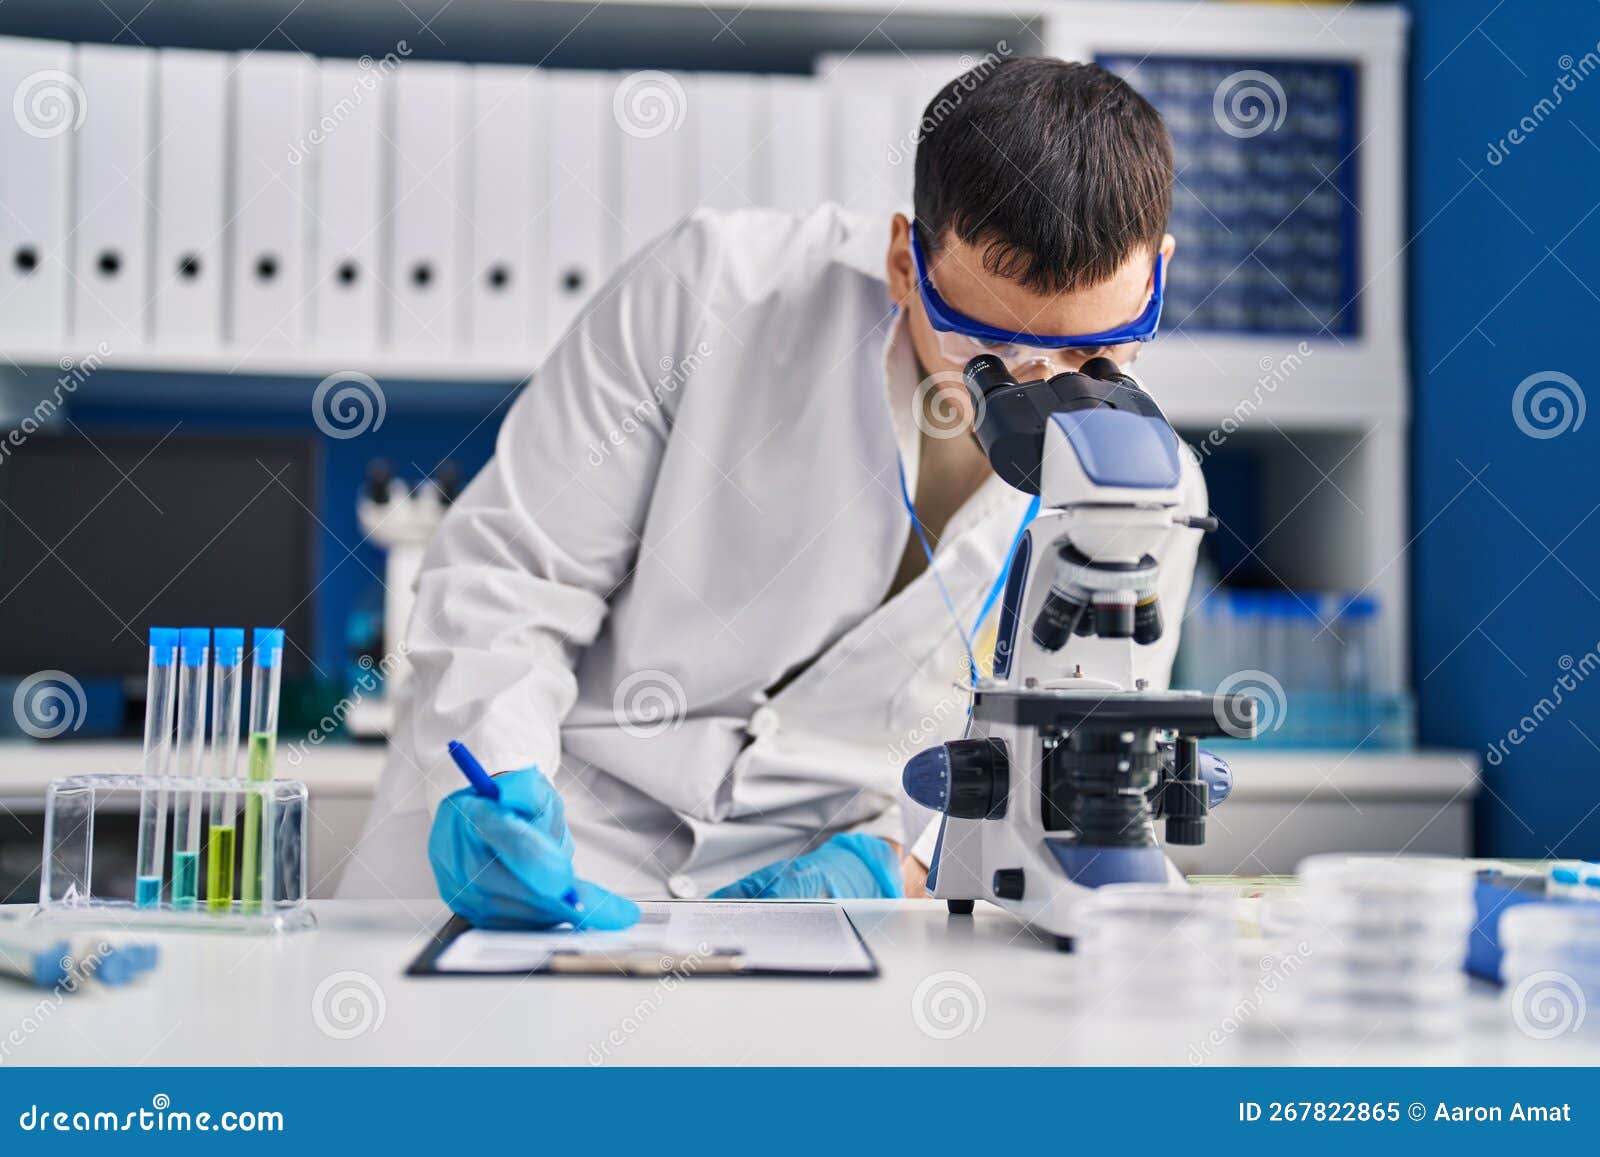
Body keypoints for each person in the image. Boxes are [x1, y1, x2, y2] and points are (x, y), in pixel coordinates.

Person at [338, 57, 1206, 928]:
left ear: (1157, 276)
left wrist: (906, 860)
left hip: (828, 889)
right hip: (575, 825)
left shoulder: (1145, 495)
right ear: (907, 261)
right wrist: (498, 778)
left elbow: (1081, 760)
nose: (1043, 390)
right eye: (994, 347)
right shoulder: (711, 292)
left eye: (1099, 352)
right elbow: (514, 574)